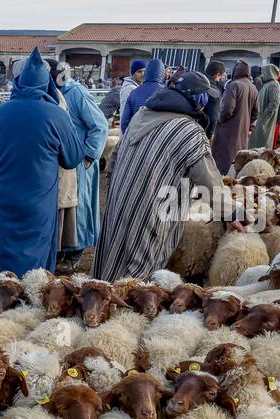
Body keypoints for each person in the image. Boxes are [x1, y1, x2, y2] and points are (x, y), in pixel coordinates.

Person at [93, 72, 246, 282]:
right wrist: (230, 213)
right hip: (153, 213)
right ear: (197, 100)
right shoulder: (189, 131)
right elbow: (210, 182)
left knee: (110, 265)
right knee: (139, 277)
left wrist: (118, 194)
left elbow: (113, 161)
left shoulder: (141, 115)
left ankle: (101, 303)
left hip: (118, 207)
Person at [0, 49, 82, 276]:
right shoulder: (56, 115)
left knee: (1, 260)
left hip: (2, 200)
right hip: (39, 203)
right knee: (37, 264)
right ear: (46, 84)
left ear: (18, 82)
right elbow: (72, 158)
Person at [52, 62, 109, 270]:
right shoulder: (56, 92)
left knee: (80, 206)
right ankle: (63, 249)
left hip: (79, 162)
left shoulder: (76, 93)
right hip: (64, 161)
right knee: (65, 206)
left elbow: (100, 125)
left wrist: (88, 155)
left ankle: (75, 253)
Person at [212, 60, 258, 173]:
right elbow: (256, 112)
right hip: (242, 133)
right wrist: (247, 124)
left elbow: (227, 108)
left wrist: (220, 120)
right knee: (237, 161)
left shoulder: (234, 85)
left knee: (222, 164)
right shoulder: (253, 88)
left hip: (227, 133)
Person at [120, 59, 165, 136]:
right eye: (139, 71)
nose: (143, 74)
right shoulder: (130, 89)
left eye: (144, 71)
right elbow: (124, 116)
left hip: (134, 134)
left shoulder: (136, 90)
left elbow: (125, 120)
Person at [249, 63, 280, 149]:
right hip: (260, 119)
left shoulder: (274, 85)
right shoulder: (267, 84)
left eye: (263, 72)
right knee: (256, 142)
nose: (261, 75)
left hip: (264, 121)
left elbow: (274, 103)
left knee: (263, 143)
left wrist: (265, 118)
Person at [201, 61, 226, 142]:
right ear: (217, 74)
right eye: (220, 77)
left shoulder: (196, 80)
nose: (219, 80)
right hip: (201, 130)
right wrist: (209, 135)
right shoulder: (213, 91)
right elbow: (213, 117)